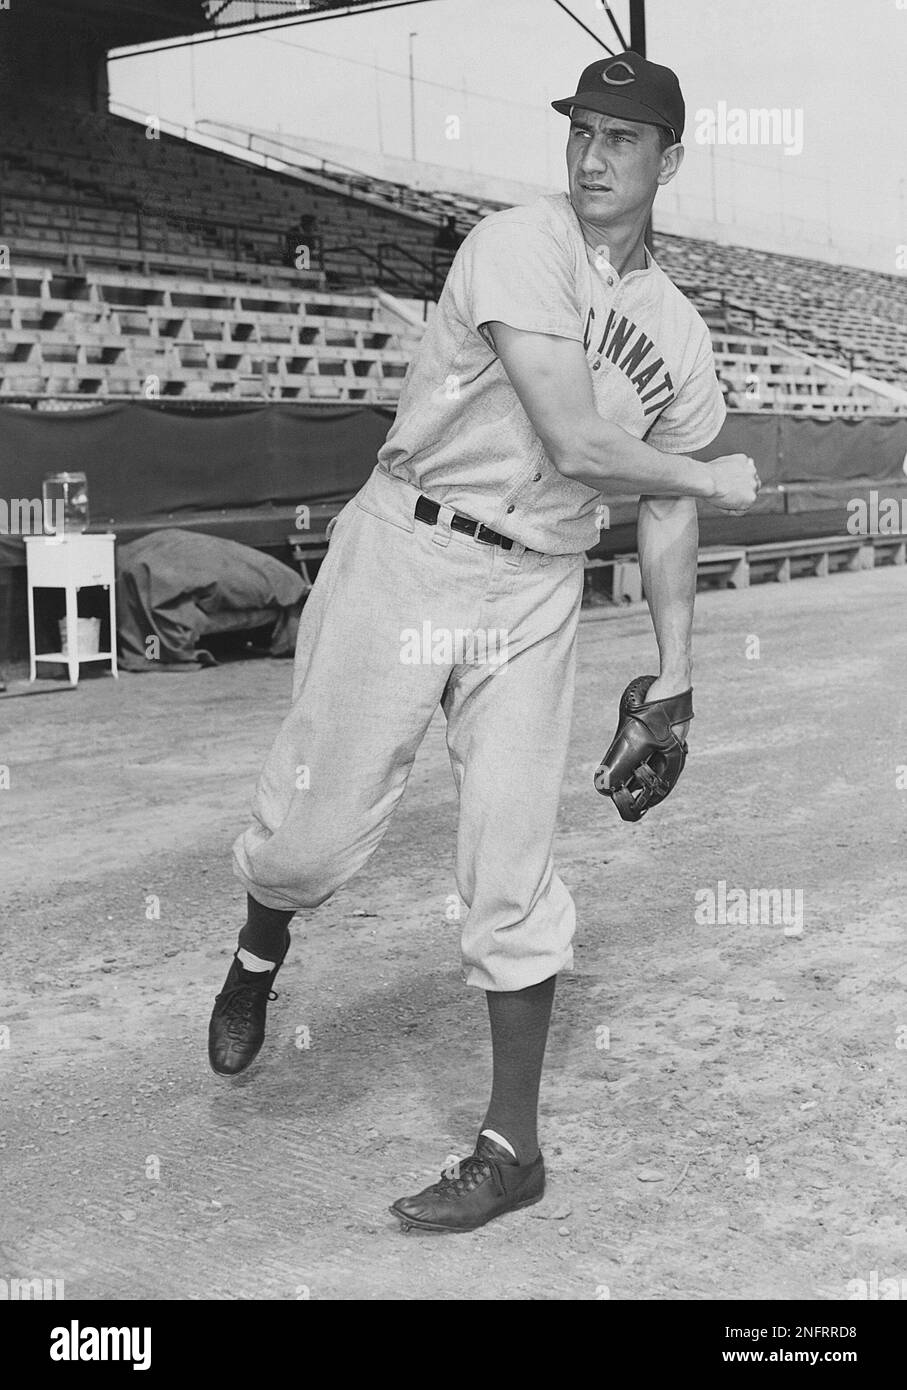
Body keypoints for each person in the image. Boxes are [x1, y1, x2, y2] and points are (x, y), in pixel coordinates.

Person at [207, 50, 760, 1234]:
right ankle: (261, 946)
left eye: (621, 137)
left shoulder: (680, 330)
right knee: (307, 842)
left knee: (511, 868)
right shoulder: (518, 243)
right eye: (580, 130)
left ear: (671, 159)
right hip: (410, 550)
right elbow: (577, 441)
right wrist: (713, 473)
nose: (593, 155)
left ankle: (511, 1147)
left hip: (536, 588)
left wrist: (676, 678)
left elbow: (661, 515)